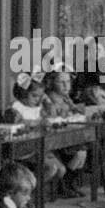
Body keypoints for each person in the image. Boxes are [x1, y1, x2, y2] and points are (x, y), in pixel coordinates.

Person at [42, 69, 89, 198]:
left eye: (68, 81)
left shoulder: (66, 98)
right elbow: (51, 120)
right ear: (51, 83)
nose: (66, 85)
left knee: (83, 151)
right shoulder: (47, 99)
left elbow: (75, 112)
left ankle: (69, 184)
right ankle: (64, 185)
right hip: (54, 138)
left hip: (68, 135)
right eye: (61, 82)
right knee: (79, 153)